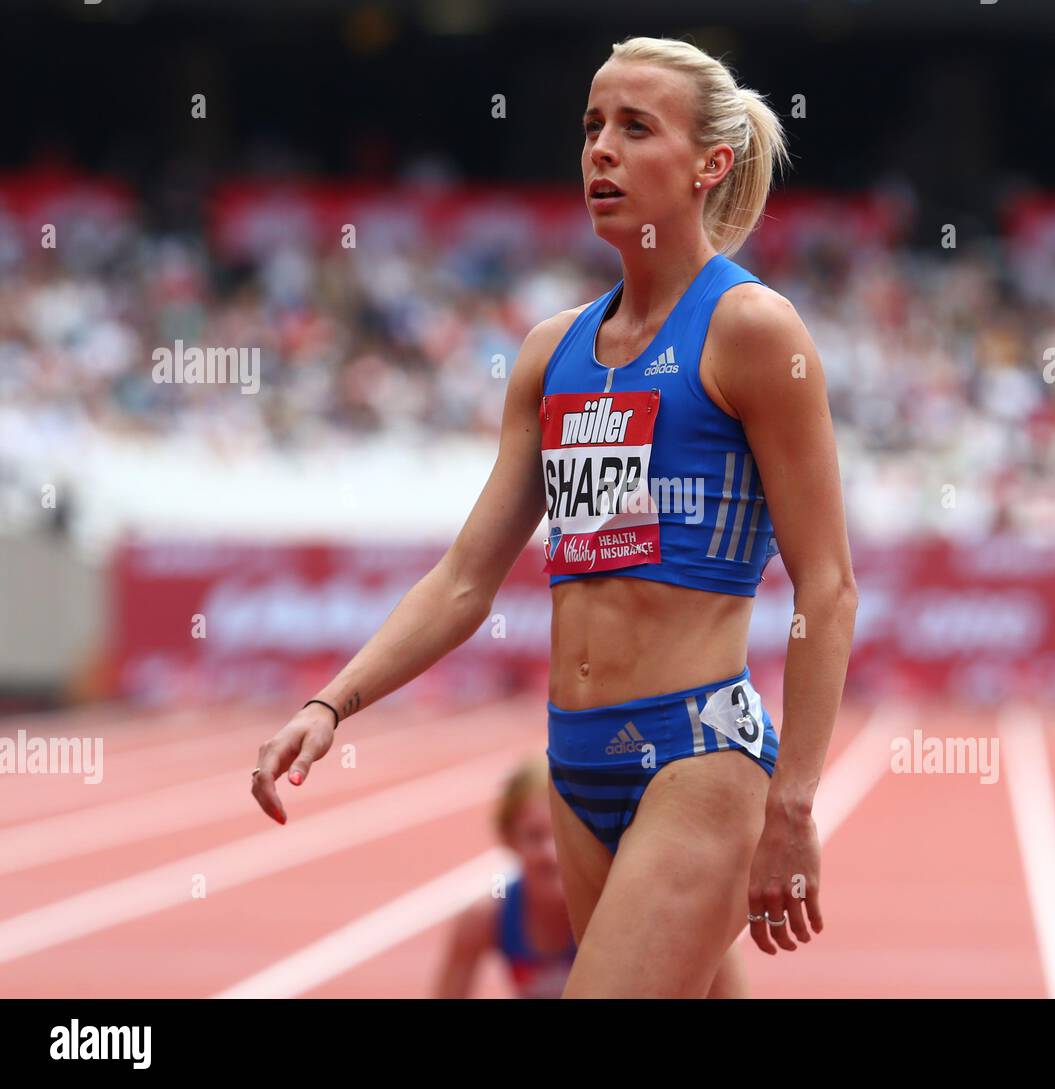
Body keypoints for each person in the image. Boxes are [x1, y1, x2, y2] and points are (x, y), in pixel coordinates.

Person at [251, 34, 858, 998]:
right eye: (590, 128)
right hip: (574, 767)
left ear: (711, 164)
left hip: (695, 757)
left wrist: (793, 802)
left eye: (633, 127)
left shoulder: (752, 330)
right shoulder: (552, 352)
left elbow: (825, 587)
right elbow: (463, 581)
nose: (600, 151)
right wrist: (334, 702)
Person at [435, 756, 577, 999]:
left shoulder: (613, 913)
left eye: (562, 834)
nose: (550, 853)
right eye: (534, 836)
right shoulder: (486, 918)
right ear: (509, 839)